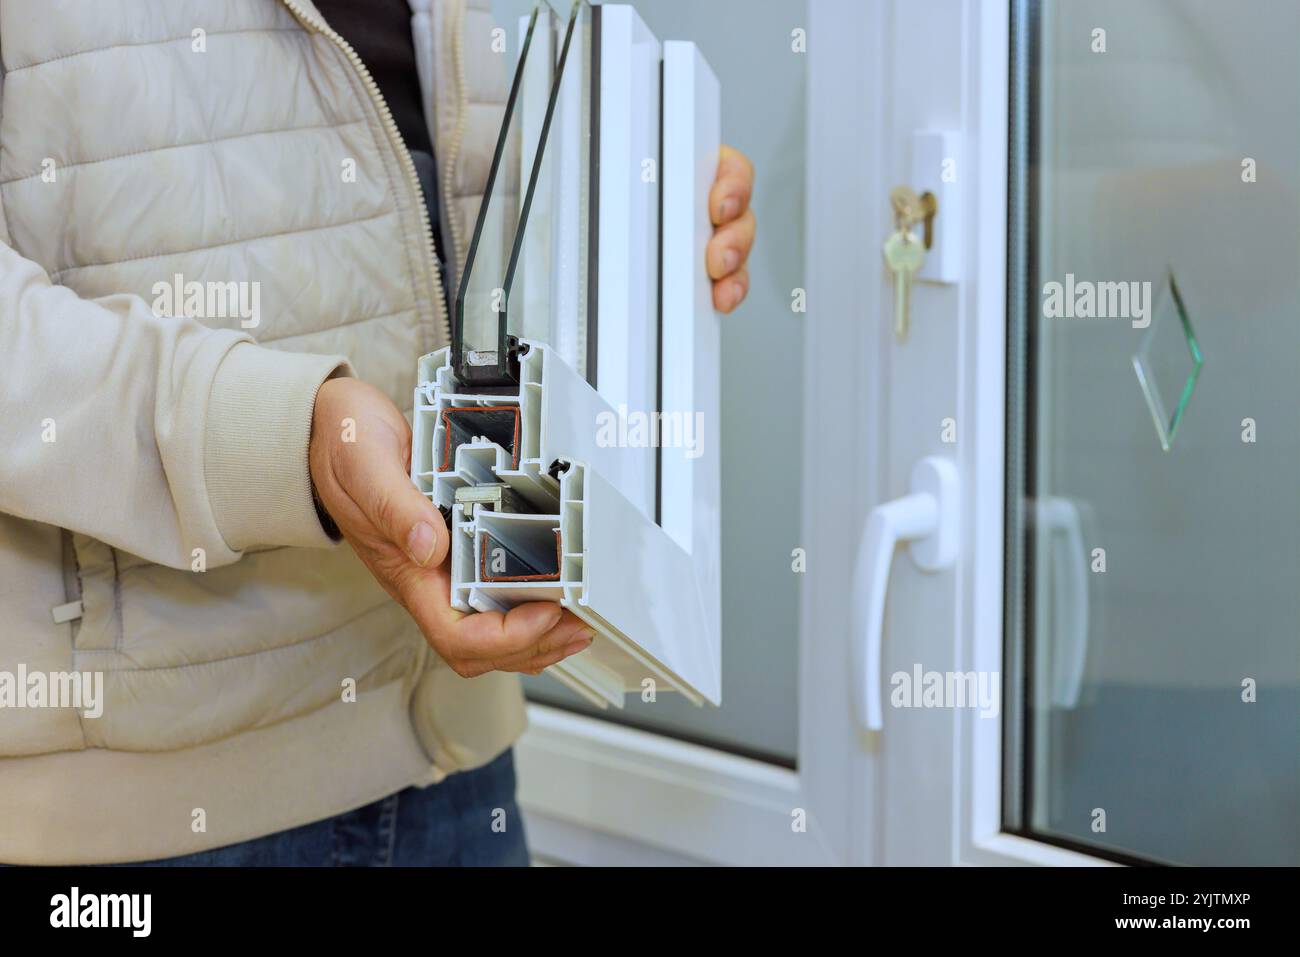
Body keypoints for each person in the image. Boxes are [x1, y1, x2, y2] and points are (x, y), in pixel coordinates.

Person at [0, 0, 755, 866]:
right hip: (140, 810)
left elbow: (439, 214)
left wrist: (635, 200)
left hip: (453, 756)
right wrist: (285, 440)